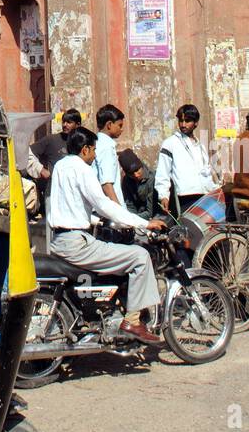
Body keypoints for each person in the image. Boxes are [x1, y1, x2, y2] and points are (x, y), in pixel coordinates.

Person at [49, 128, 165, 345]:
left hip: (60, 239)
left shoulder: (60, 166)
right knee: (139, 256)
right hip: (77, 244)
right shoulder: (82, 169)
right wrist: (143, 223)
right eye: (93, 150)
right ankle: (132, 321)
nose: (94, 156)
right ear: (85, 150)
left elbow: (70, 206)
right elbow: (103, 203)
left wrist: (97, 221)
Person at [154, 104, 215, 216]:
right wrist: (163, 195)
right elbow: (163, 173)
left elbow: (206, 172)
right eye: (181, 121)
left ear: (196, 123)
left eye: (187, 121)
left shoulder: (200, 146)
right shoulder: (170, 143)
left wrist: (214, 190)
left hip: (203, 196)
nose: (183, 124)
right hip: (185, 197)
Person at [94, 104, 126, 207]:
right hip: (109, 208)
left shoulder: (97, 143)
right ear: (109, 125)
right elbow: (107, 183)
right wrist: (119, 210)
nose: (121, 129)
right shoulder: (106, 147)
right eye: (119, 125)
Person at [118, 148, 158, 220]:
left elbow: (150, 212)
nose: (136, 175)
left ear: (141, 166)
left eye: (137, 170)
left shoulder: (153, 178)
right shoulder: (126, 181)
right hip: (138, 218)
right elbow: (130, 206)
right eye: (131, 173)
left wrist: (132, 220)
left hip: (154, 217)